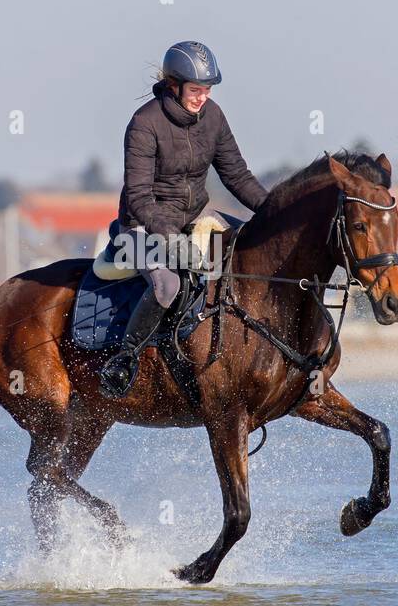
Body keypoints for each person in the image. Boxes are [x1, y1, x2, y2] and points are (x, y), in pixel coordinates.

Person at [98, 41, 269, 398]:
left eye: (207, 90)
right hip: (140, 229)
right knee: (169, 285)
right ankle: (124, 360)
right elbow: (139, 197)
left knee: (249, 257)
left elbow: (236, 175)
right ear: (173, 85)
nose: (202, 98)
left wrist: (274, 211)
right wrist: (172, 239)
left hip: (195, 220)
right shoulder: (144, 123)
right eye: (195, 90)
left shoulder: (214, 117)